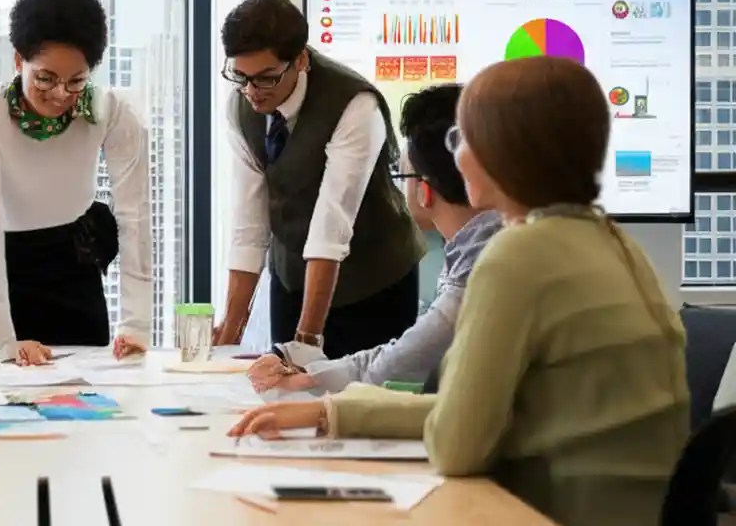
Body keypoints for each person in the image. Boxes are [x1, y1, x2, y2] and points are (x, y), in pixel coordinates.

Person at [229, 57, 690, 526]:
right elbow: (485, 415)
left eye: (462, 138)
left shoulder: (516, 256)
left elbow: (457, 446)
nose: (456, 153)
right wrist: (331, 413)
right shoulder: (613, 242)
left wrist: (326, 406)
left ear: (501, 154)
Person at [247, 83, 502, 393]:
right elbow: (397, 355)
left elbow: (398, 369)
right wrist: (309, 373)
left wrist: (307, 379)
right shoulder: (477, 247)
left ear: (424, 191)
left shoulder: (482, 265)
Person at [213, 0, 426, 359]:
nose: (251, 91)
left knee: (359, 404)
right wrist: (230, 332)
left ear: (301, 60)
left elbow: (332, 228)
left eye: (265, 78)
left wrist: (307, 342)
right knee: (284, 398)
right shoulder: (241, 107)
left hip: (373, 282)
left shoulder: (354, 105)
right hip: (294, 277)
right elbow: (250, 226)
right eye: (240, 76)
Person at [0, 0, 151, 365]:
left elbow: (135, 220)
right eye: (45, 78)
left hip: (72, 253)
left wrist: (137, 326)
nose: (61, 94)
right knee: (14, 382)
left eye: (76, 80)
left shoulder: (111, 112)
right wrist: (5, 345)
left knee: (89, 372)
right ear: (18, 61)